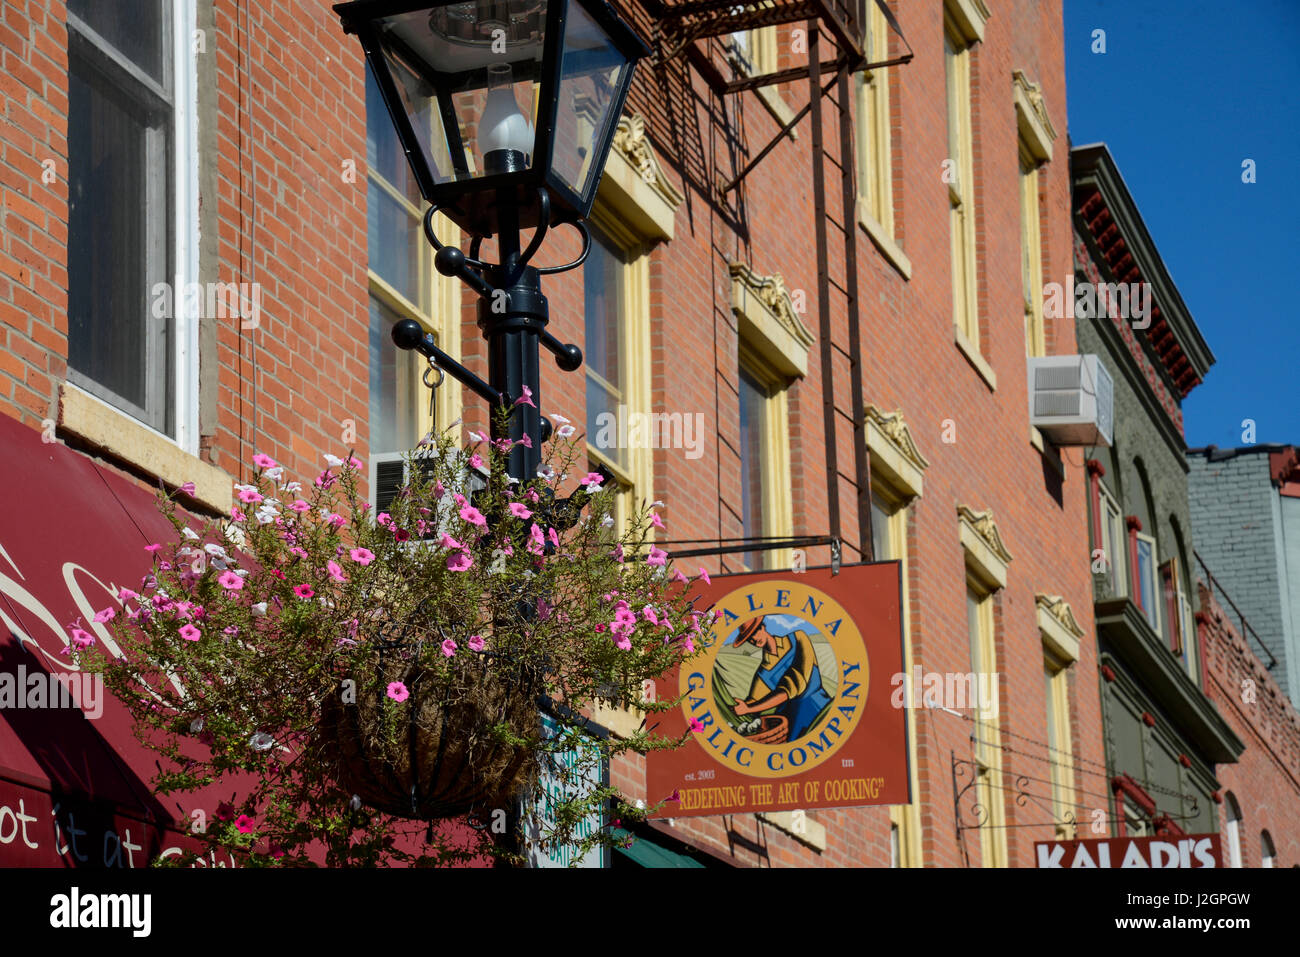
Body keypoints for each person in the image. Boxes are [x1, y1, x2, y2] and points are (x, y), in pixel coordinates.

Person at [730, 616, 832, 743]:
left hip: (819, 708)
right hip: (791, 725)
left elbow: (795, 683)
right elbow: (753, 701)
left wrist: (749, 709)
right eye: (749, 639)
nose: (754, 640)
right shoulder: (763, 673)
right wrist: (738, 707)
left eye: (755, 632)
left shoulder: (798, 638)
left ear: (763, 627)